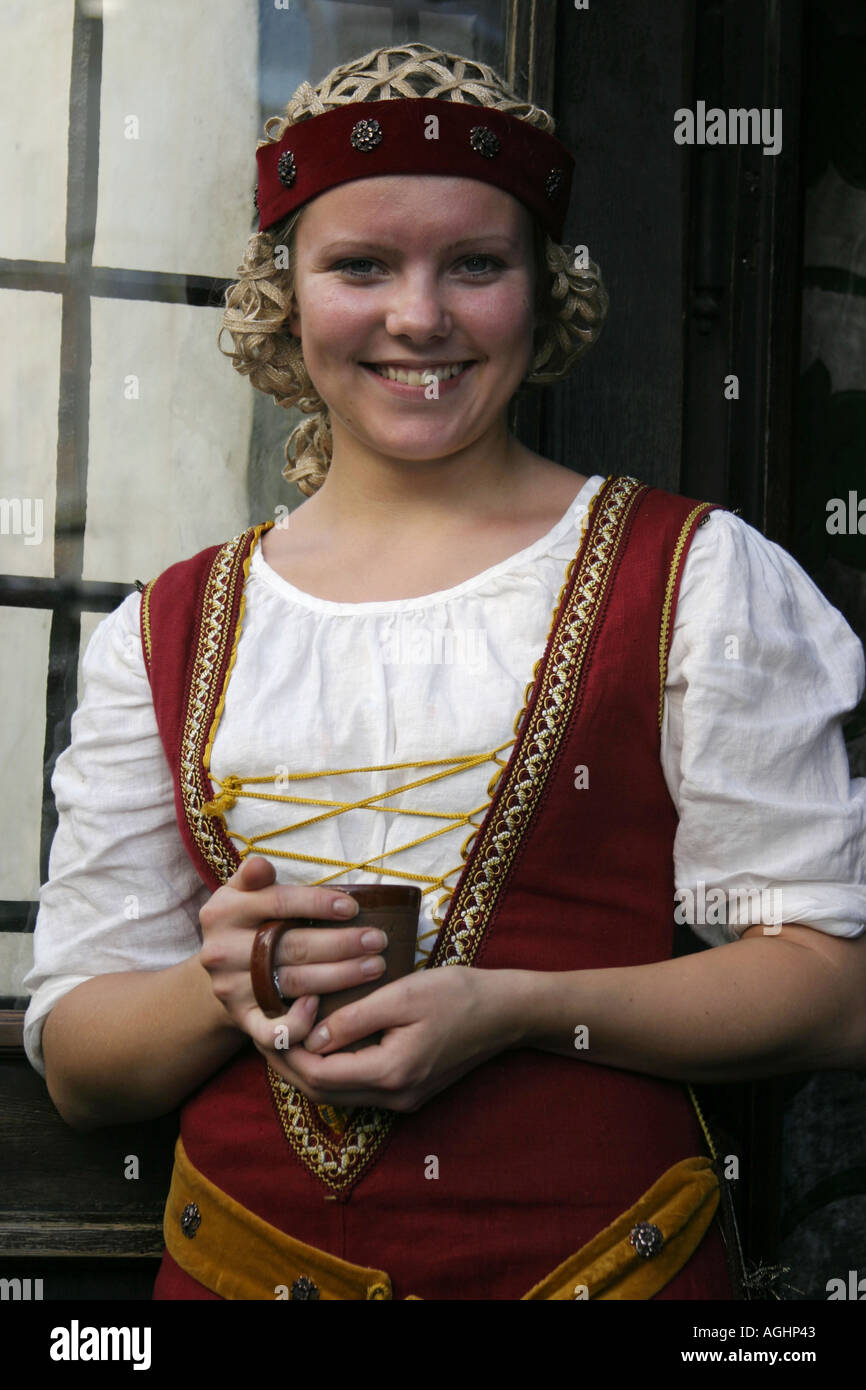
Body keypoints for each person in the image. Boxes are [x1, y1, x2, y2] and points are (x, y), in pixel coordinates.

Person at [23, 42, 866, 1302]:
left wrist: (515, 1007)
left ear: (538, 291)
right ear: (286, 293)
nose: (418, 315)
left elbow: (828, 990)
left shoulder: (695, 576)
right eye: (359, 265)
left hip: (603, 1272)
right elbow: (86, 1067)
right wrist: (221, 983)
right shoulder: (167, 625)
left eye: (474, 264)